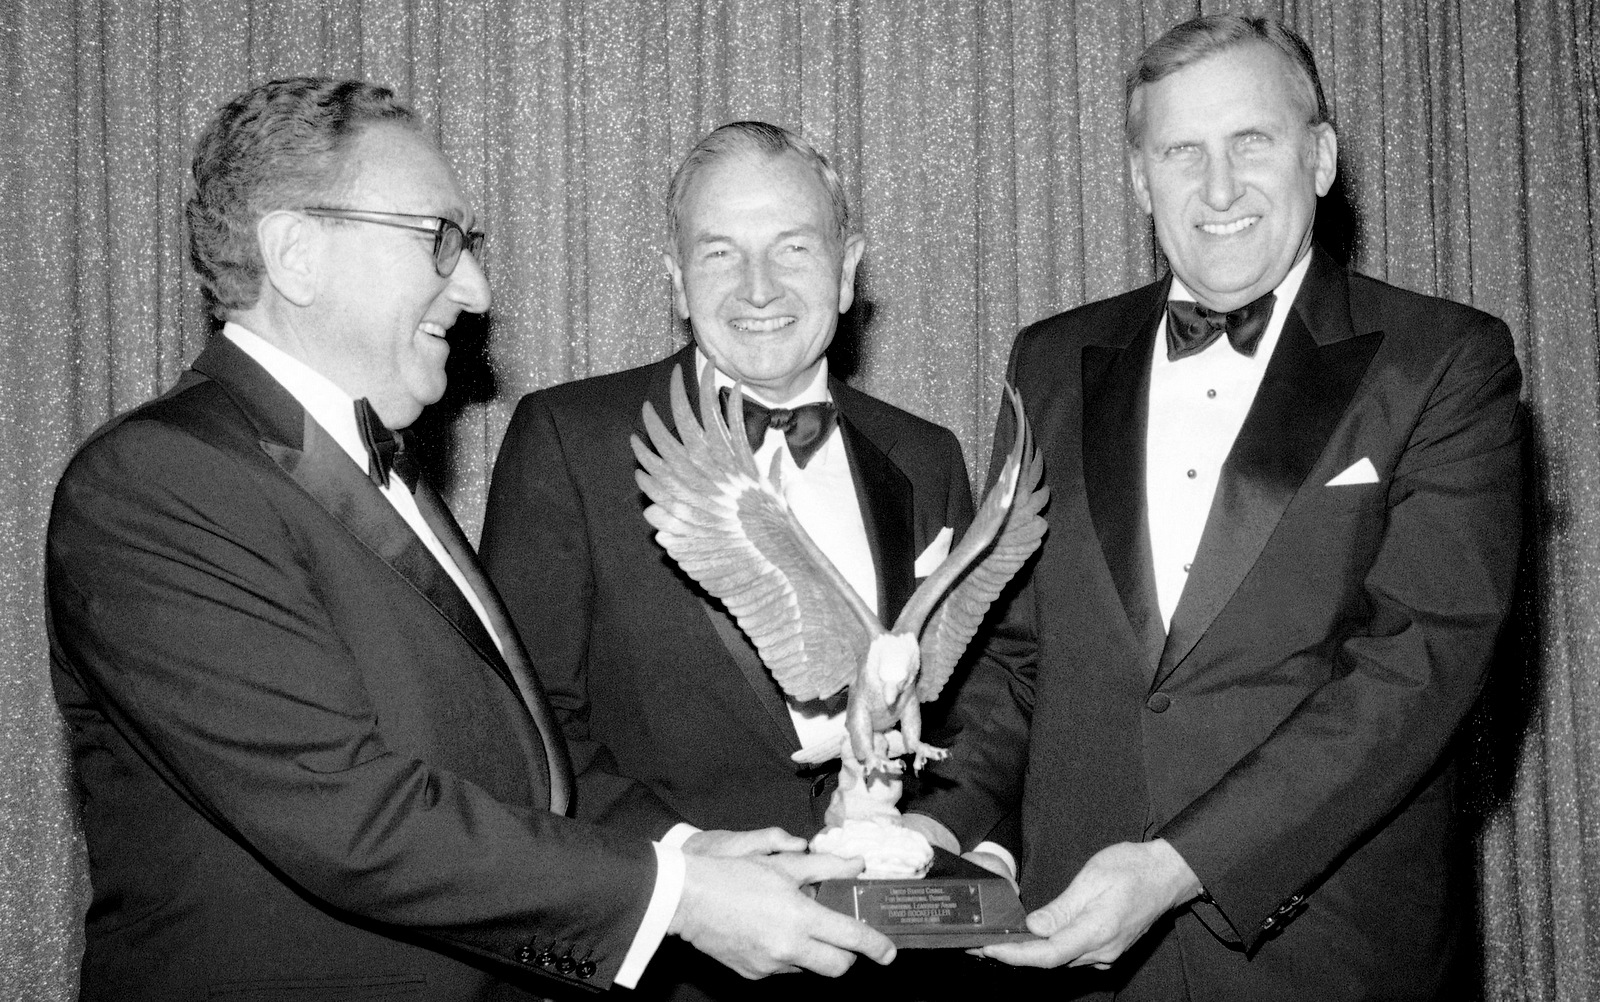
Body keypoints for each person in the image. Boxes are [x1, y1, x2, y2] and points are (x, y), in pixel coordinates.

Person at [46, 78, 894, 1001]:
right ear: (295, 252)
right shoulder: (163, 481)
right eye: (439, 240)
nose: (478, 287)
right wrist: (679, 896)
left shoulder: (382, 470)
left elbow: (505, 771)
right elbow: (352, 817)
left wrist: (676, 850)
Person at [902, 15, 1524, 1001]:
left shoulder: (1444, 360)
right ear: (1139, 179)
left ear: (1319, 158)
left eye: (1253, 142)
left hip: (1328, 954)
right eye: (1181, 151)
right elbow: (1018, 654)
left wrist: (1173, 869)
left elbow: (1417, 664)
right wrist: (935, 823)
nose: (1219, 188)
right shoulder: (1052, 361)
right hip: (1073, 954)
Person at [479, 121, 976, 999]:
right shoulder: (570, 439)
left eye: (793, 247)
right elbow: (522, 726)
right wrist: (686, 869)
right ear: (674, 278)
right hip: (674, 964)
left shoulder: (926, 455)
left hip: (893, 967)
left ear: (848, 267)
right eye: (719, 253)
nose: (759, 287)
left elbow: (975, 703)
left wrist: (935, 833)